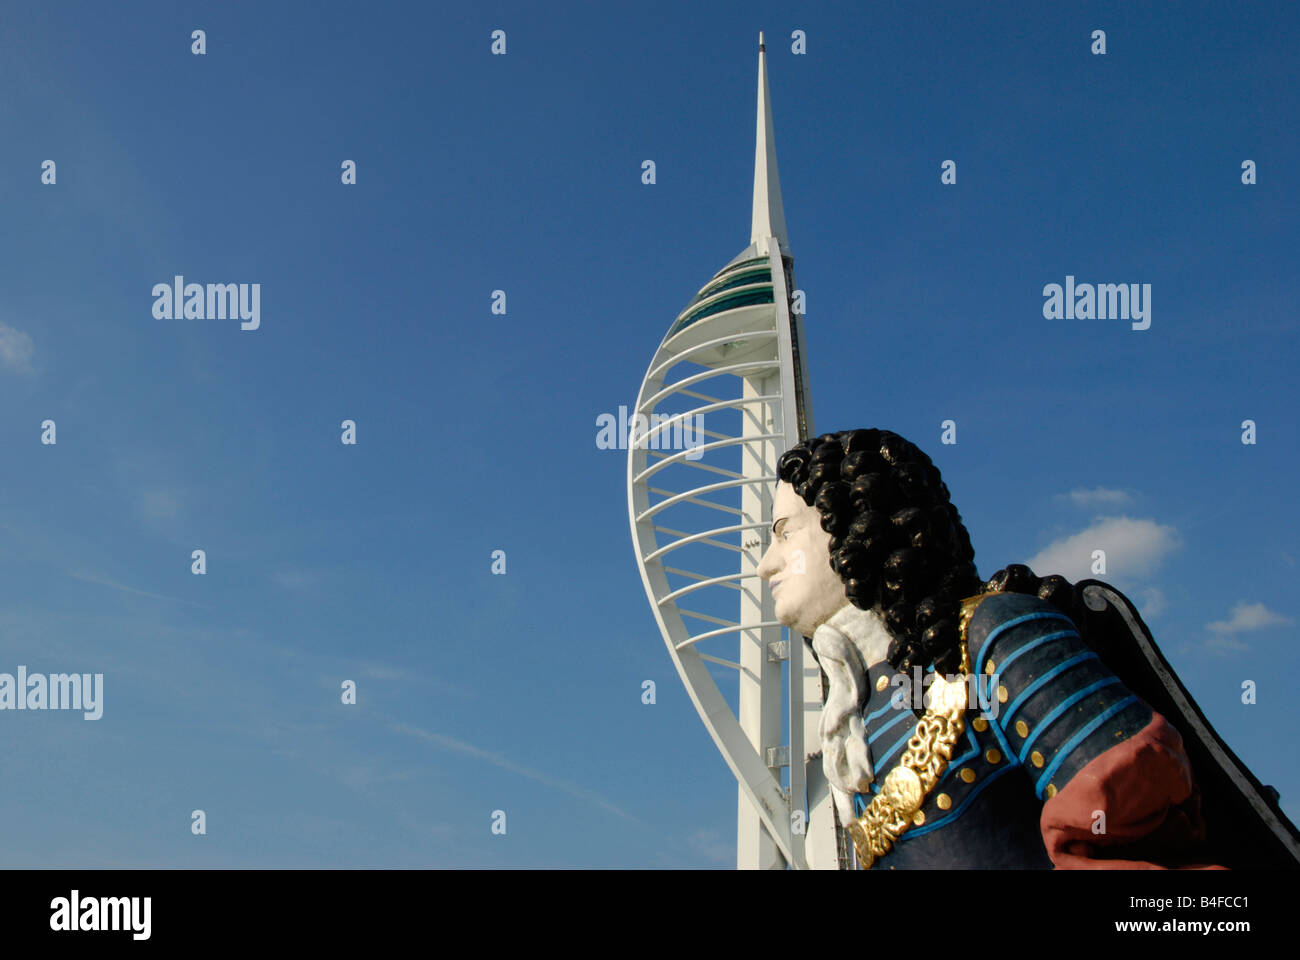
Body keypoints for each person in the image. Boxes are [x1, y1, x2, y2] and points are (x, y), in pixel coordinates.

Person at [756, 427, 1235, 869]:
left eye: (784, 533)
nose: (766, 565)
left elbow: (1130, 810)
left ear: (856, 521)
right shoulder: (863, 718)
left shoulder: (997, 634)